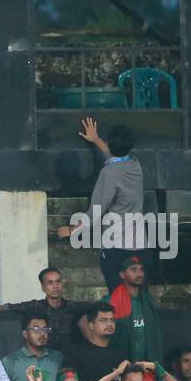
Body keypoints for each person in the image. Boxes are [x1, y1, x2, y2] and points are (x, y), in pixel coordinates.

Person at [57, 119, 143, 290]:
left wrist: (71, 230)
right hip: (139, 243)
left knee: (118, 293)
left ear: (110, 142)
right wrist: (96, 140)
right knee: (135, 293)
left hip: (116, 245)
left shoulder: (109, 173)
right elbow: (116, 158)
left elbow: (97, 210)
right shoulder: (135, 165)